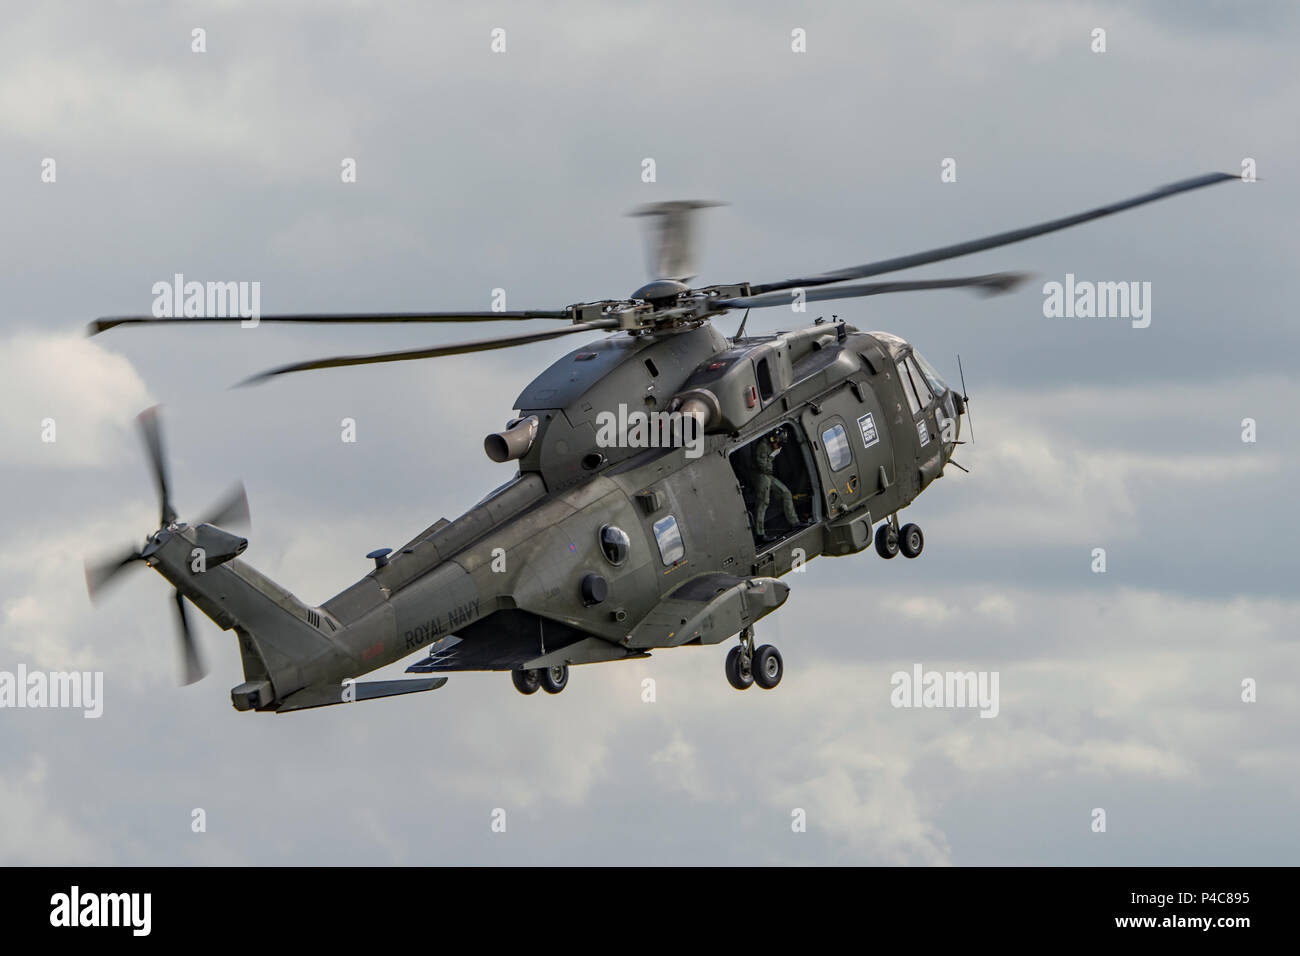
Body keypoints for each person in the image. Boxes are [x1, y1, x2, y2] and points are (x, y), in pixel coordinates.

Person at [753, 427, 800, 542]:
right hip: (760, 475)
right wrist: (772, 456)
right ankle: (760, 534)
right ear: (774, 439)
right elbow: (762, 466)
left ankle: (795, 522)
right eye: (779, 443)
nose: (779, 446)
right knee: (764, 502)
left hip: (767, 474)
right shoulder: (763, 446)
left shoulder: (771, 447)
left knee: (786, 493)